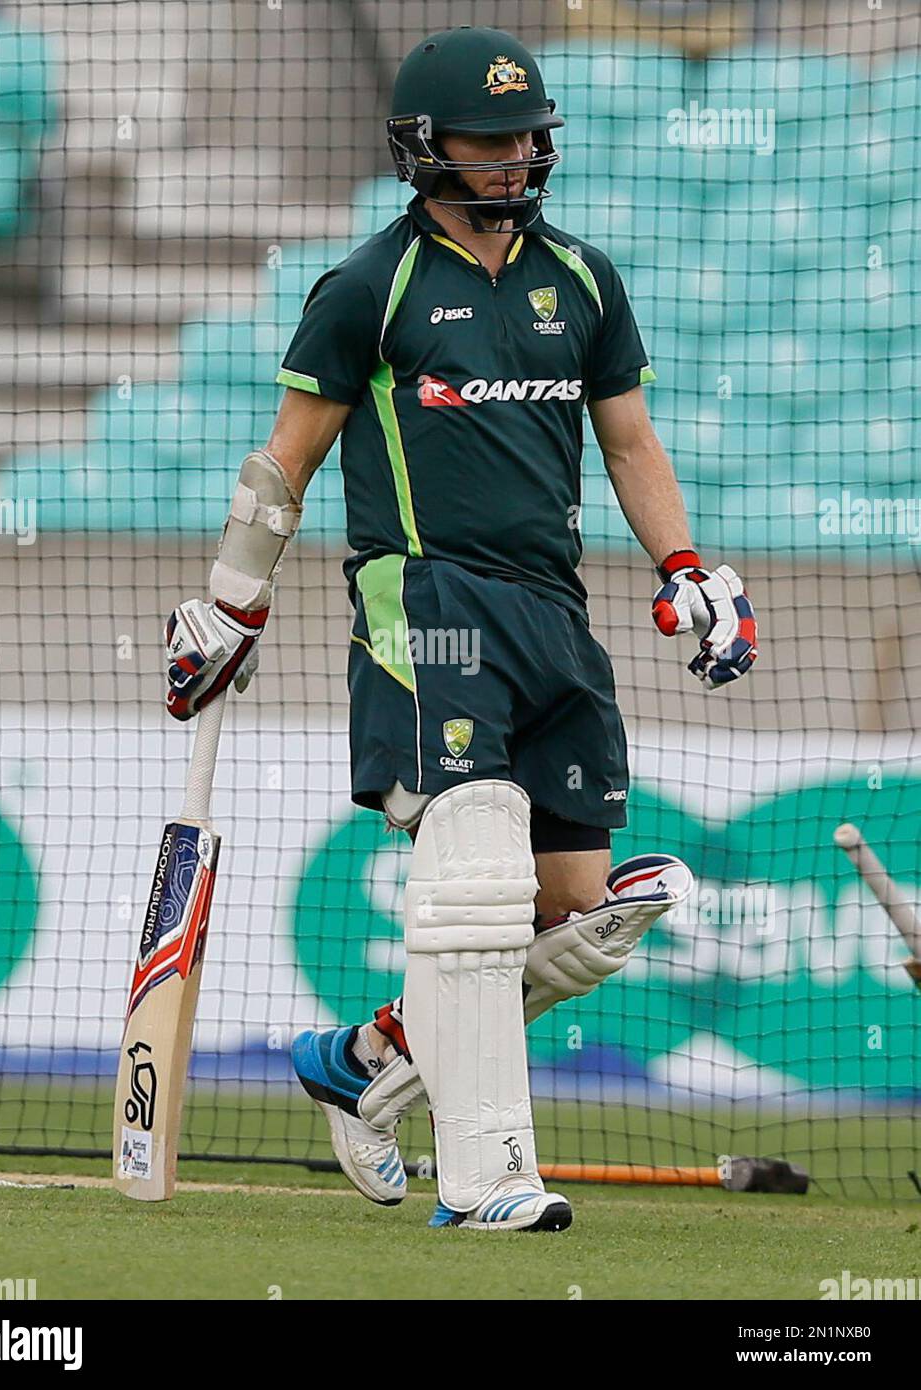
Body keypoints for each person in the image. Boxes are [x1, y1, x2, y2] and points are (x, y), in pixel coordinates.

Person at [163, 25, 758, 1232]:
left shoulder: (582, 279)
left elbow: (630, 441)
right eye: (493, 141)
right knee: (475, 858)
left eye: (531, 135)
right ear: (426, 149)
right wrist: (230, 602)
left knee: (585, 915)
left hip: (554, 613)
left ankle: (368, 1060)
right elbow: (284, 467)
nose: (521, 157)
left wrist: (689, 568)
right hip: (423, 602)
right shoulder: (368, 287)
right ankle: (487, 1178)